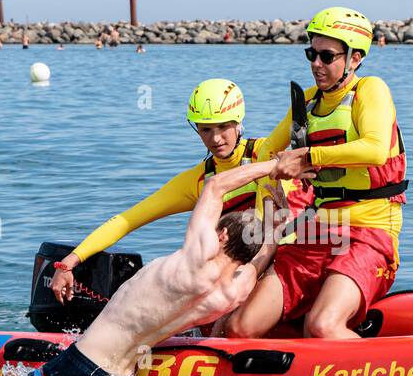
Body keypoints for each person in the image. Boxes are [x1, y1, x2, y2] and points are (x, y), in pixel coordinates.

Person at [10, 153, 309, 376]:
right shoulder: (233, 293)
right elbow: (263, 254)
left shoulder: (195, 258)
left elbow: (216, 185)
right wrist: (276, 220)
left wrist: (276, 166)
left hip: (82, 364)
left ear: (221, 234)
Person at [227, 6, 407, 340]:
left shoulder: (370, 90)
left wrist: (307, 157)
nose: (316, 65)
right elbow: (268, 152)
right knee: (240, 328)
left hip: (370, 233)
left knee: (322, 326)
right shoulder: (306, 103)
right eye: (312, 54)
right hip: (318, 233)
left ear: (354, 59)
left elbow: (375, 148)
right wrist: (271, 190)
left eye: (326, 56)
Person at [48, 79, 307, 302]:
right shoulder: (197, 181)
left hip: (286, 259)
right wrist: (69, 261)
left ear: (239, 122)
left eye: (223, 127)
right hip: (238, 273)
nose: (216, 139)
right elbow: (128, 220)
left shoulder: (268, 153)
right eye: (206, 129)